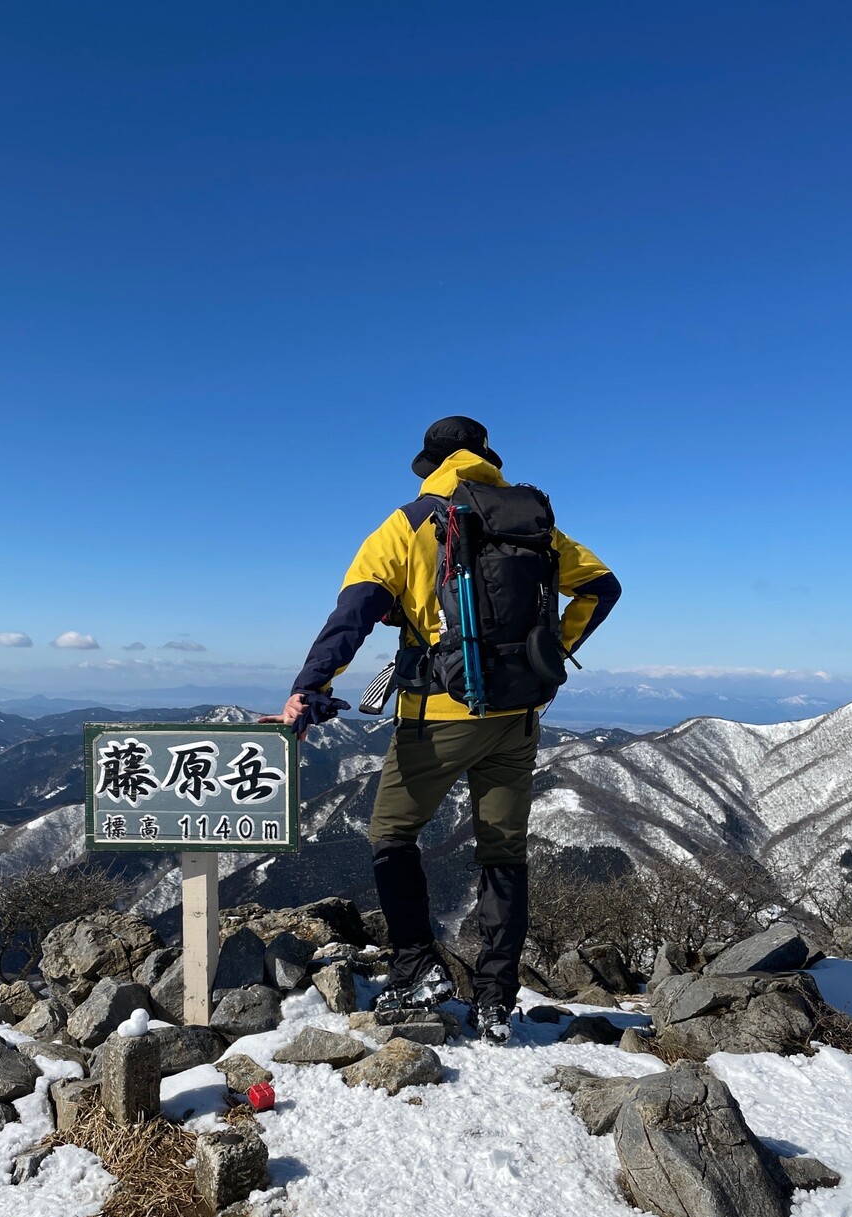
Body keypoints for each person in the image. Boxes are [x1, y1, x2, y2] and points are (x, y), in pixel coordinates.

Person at [264, 416, 621, 1044]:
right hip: (517, 717)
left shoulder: (407, 524)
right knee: (502, 851)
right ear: (485, 458)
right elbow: (602, 587)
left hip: (438, 715)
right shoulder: (531, 522)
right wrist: (553, 652)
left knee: (391, 833)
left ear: (431, 464)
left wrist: (310, 687)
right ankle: (495, 996)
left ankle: (415, 965)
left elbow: (355, 613)